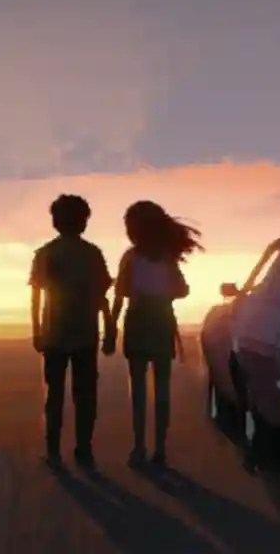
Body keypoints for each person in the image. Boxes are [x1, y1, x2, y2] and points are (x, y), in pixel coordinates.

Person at [110, 200, 202, 468]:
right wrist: (163, 293)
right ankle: (159, 449)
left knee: (138, 390)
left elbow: (119, 295)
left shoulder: (130, 257)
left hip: (138, 322)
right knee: (162, 390)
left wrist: (110, 330)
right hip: (162, 323)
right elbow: (183, 290)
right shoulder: (167, 257)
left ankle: (139, 447)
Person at [29, 194, 114, 469]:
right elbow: (102, 297)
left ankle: (53, 450)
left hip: (55, 333)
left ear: (55, 221)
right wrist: (110, 326)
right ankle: (83, 449)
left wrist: (37, 331)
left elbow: (35, 297)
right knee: (85, 394)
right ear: (84, 221)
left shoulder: (46, 252)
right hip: (85, 332)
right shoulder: (92, 254)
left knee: (54, 394)